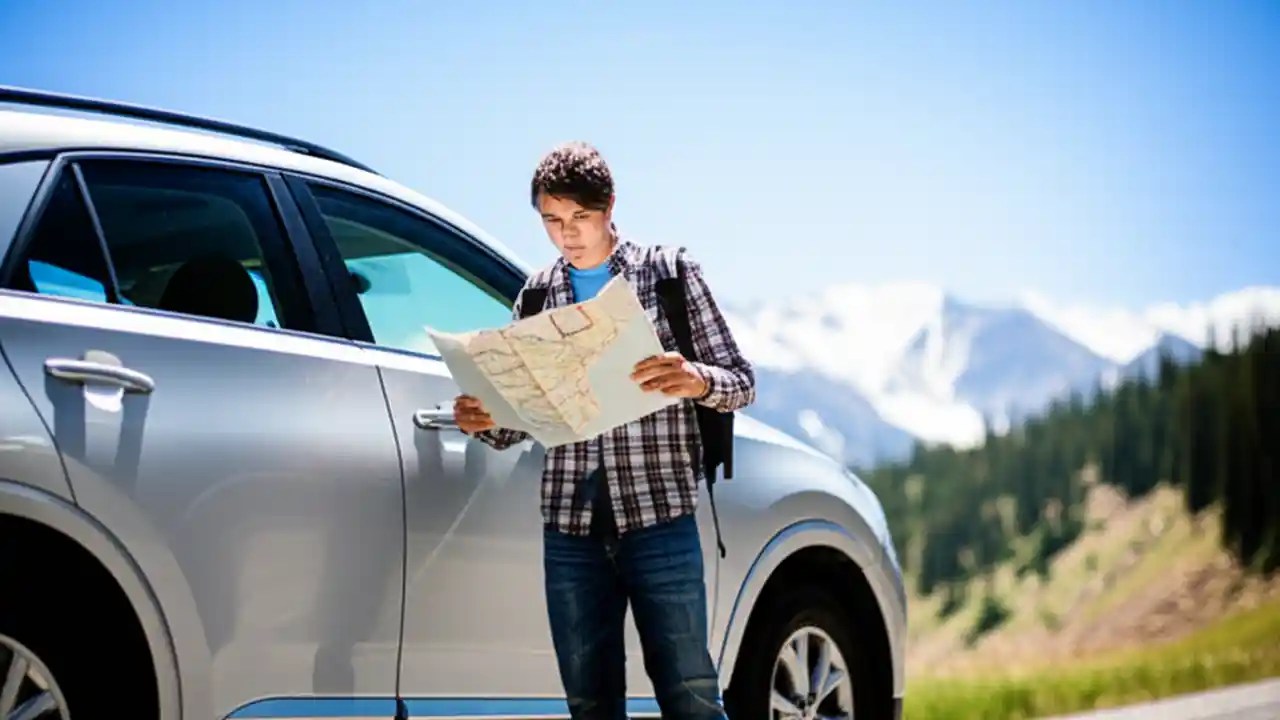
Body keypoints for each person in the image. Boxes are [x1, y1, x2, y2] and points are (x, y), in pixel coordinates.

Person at [452, 140, 755, 720]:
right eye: (552, 221)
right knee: (589, 705)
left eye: (580, 218)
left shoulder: (669, 275)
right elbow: (522, 420)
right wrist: (485, 418)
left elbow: (740, 380)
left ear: (610, 206)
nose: (567, 234)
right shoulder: (537, 295)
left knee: (691, 698)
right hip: (571, 533)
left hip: (659, 520)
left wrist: (693, 379)